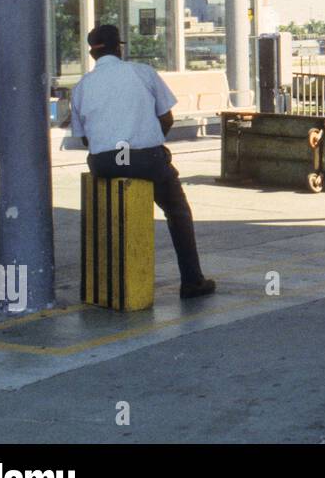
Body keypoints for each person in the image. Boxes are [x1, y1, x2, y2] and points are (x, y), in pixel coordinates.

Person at [70, 24, 216, 299]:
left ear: (92, 53)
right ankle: (192, 281)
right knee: (177, 210)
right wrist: (147, 142)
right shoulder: (142, 72)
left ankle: (104, 283)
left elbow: (85, 138)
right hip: (145, 160)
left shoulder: (81, 87)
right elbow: (167, 118)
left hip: (104, 162)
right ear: (119, 48)